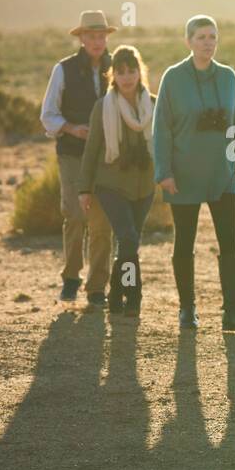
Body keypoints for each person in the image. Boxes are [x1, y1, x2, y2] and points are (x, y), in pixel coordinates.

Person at [152, 14, 235, 331]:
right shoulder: (173, 77)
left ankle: (232, 312)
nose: (208, 43)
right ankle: (187, 310)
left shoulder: (227, 76)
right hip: (183, 175)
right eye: (201, 37)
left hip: (222, 172)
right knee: (184, 243)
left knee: (229, 242)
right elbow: (161, 128)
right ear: (188, 41)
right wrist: (163, 171)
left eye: (212, 37)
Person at [39, 10, 115, 307]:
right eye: (91, 36)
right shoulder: (64, 69)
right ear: (81, 38)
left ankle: (97, 288)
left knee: (102, 221)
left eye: (101, 36)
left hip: (107, 156)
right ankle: (71, 277)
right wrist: (72, 128)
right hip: (72, 153)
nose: (97, 41)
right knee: (74, 213)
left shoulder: (117, 66)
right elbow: (48, 114)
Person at [77, 45, 156, 317]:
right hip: (111, 185)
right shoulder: (104, 107)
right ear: (113, 75)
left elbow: (167, 142)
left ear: (140, 72)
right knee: (128, 236)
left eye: (131, 70)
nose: (127, 77)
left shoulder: (154, 104)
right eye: (120, 72)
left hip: (144, 186)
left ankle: (116, 294)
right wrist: (84, 189)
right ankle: (133, 296)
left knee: (130, 243)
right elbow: (91, 150)